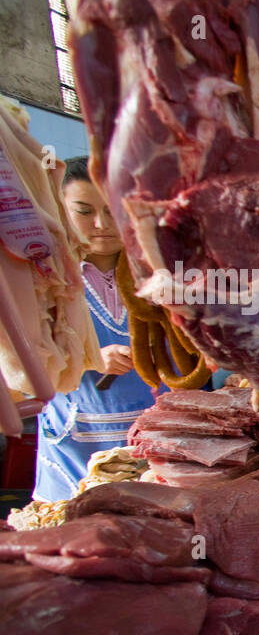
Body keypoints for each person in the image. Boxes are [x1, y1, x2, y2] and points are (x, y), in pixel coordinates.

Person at [33, 157, 161, 501]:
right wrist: (87, 358)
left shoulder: (163, 270)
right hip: (74, 444)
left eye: (113, 210)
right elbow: (18, 362)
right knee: (72, 543)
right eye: (84, 211)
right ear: (61, 210)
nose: (102, 224)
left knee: (156, 539)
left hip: (157, 439)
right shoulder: (41, 275)